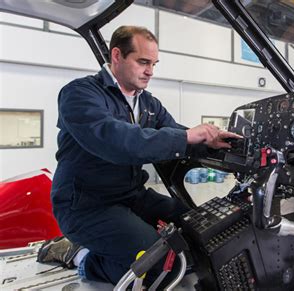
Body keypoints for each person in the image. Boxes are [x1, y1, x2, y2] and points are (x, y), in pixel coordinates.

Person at [37, 25, 240, 286]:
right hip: (86, 205)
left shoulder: (148, 104)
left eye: (154, 64)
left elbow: (180, 135)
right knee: (161, 266)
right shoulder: (80, 94)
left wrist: (218, 144)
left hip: (131, 196)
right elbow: (116, 141)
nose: (150, 72)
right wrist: (187, 136)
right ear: (117, 56)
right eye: (143, 62)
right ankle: (80, 256)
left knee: (199, 229)